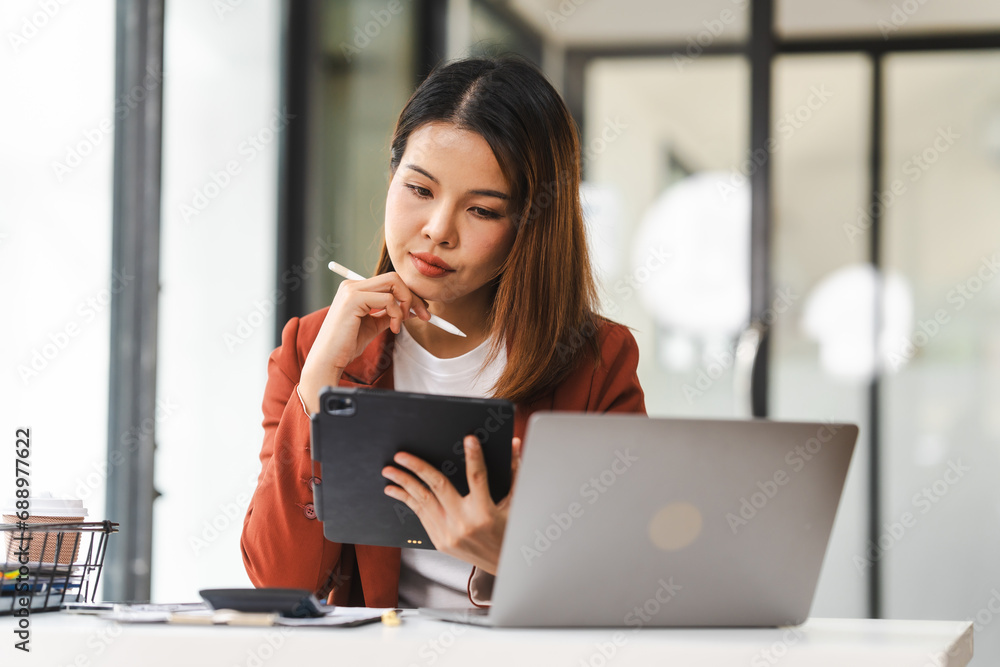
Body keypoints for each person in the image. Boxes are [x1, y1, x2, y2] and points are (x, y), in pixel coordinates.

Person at [240, 55, 646, 609]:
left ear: (531, 225)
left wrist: (514, 556)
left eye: (482, 210)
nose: (437, 230)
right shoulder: (310, 348)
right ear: (392, 179)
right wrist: (317, 391)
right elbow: (280, 588)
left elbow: (631, 588)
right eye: (420, 189)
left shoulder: (597, 363)